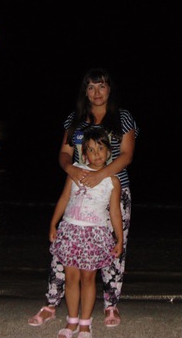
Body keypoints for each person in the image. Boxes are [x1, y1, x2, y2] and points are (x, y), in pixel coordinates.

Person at [28, 67, 139, 327]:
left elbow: (127, 155)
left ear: (109, 89)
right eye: (91, 87)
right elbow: (64, 153)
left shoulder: (123, 117)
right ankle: (51, 303)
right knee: (64, 251)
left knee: (113, 248)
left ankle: (111, 305)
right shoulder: (75, 119)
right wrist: (71, 169)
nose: (97, 92)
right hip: (78, 193)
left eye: (101, 86)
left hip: (113, 190)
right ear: (85, 92)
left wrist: (101, 175)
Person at [49, 127, 123, 338]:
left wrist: (119, 239)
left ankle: (85, 323)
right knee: (71, 278)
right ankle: (72, 321)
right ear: (84, 154)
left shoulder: (112, 181)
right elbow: (64, 199)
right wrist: (53, 224)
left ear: (109, 151)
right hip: (70, 230)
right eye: (91, 150)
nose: (96, 154)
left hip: (94, 234)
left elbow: (115, 212)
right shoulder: (75, 173)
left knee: (88, 279)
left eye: (100, 148)